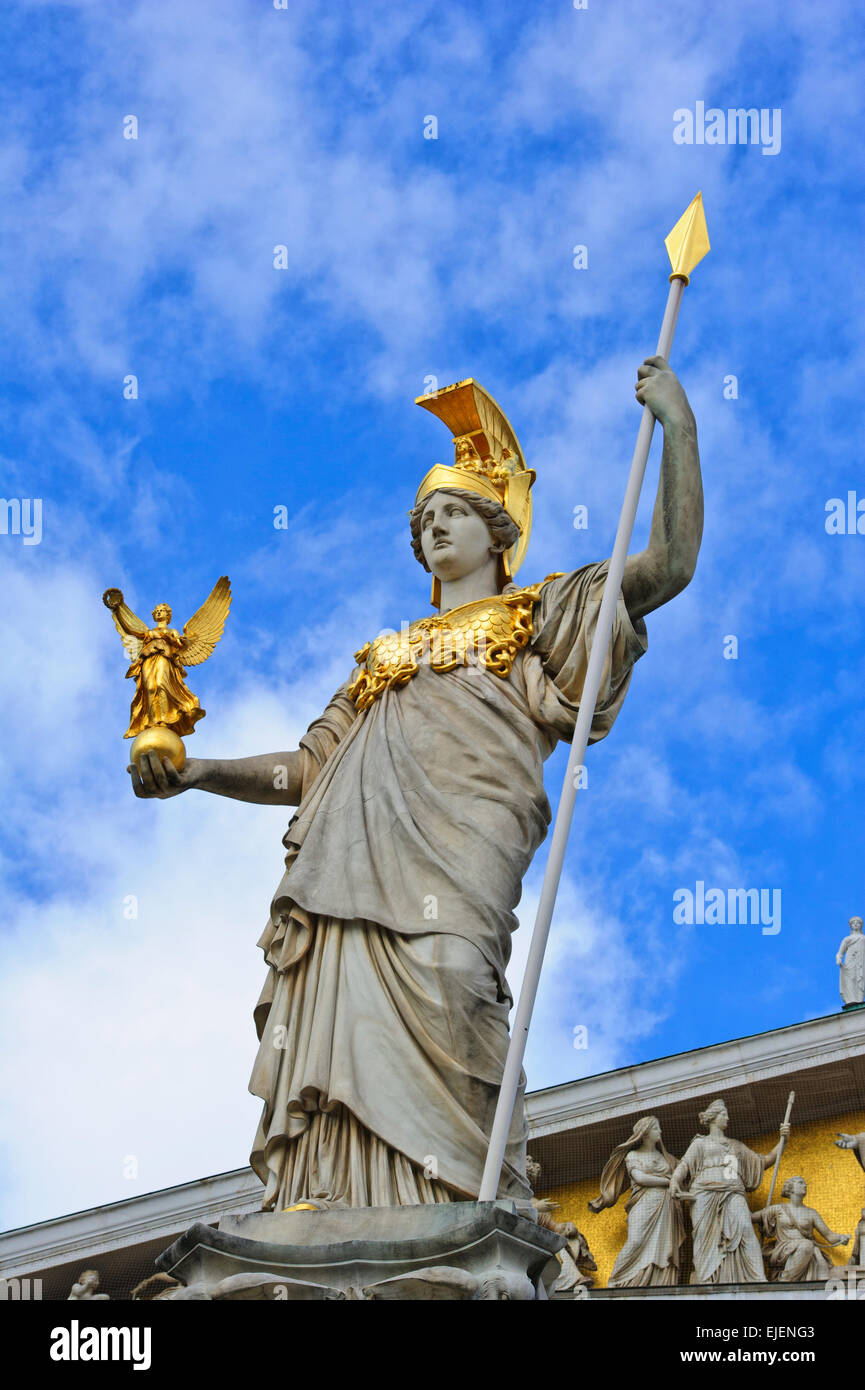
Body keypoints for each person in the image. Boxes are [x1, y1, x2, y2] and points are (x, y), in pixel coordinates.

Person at [128, 364, 703, 1210]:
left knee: (453, 981)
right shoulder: (380, 659)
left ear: (496, 530)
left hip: (461, 858)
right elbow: (311, 770)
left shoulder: (542, 614)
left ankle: (473, 1211)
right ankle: (340, 1205)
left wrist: (678, 430)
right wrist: (198, 771)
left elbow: (669, 564)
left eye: (453, 515)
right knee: (339, 1019)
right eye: (423, 522)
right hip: (348, 876)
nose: (435, 530)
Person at [669, 1098, 789, 1284]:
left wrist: (783, 1141)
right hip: (703, 1194)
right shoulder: (700, 1144)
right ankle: (706, 1280)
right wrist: (675, 1180)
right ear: (713, 1117)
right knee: (703, 1237)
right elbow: (684, 1165)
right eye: (724, 1114)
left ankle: (757, 1279)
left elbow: (763, 1161)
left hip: (733, 1192)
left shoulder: (736, 1146)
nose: (728, 1118)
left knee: (745, 1229)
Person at [588, 1116, 685, 1287]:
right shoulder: (632, 1155)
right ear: (645, 1133)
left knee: (666, 1247)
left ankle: (661, 1284)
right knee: (636, 1241)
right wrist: (669, 1181)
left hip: (666, 1206)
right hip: (644, 1204)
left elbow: (686, 1169)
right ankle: (617, 1282)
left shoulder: (666, 1157)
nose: (660, 1132)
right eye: (656, 1128)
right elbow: (640, 1178)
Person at [753, 1176, 849, 1281]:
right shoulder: (778, 1209)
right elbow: (752, 1217)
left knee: (809, 1248)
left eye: (804, 1183)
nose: (804, 1185)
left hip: (806, 1251)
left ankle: (786, 1280)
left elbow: (829, 1236)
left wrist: (841, 1238)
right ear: (790, 1188)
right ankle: (785, 1281)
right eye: (800, 1183)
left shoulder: (811, 1213)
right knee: (807, 1245)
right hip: (784, 1250)